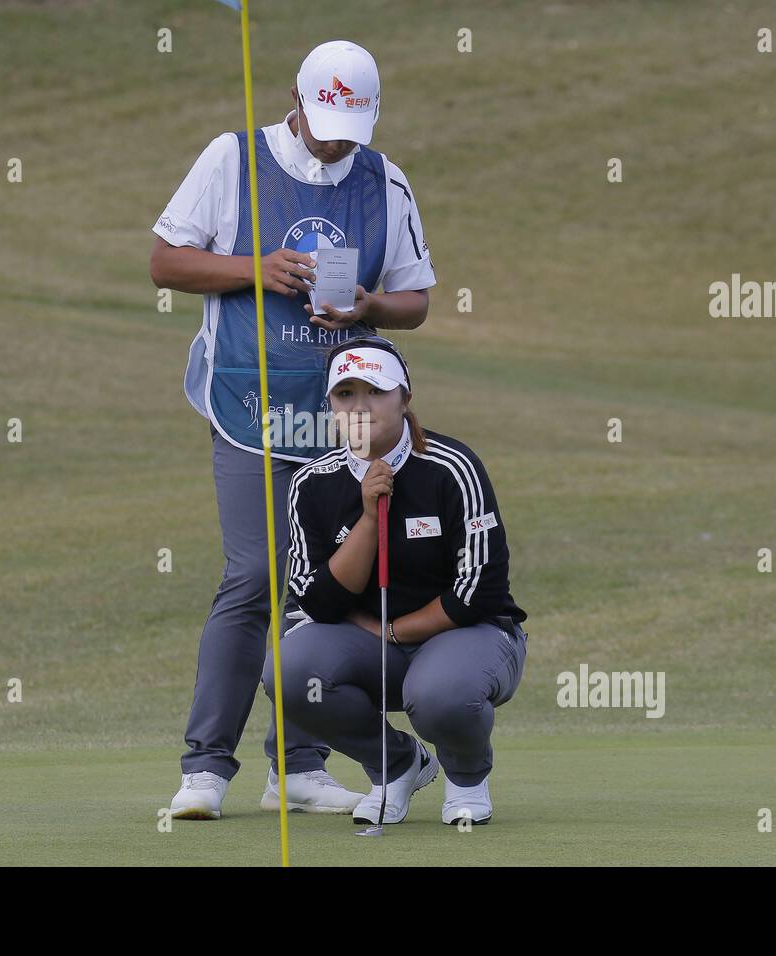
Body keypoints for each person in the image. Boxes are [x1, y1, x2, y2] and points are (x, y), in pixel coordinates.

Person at [149, 40, 437, 819]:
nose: (338, 138)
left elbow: (416, 299)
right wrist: (256, 269)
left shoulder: (386, 180)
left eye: (351, 125)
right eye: (326, 120)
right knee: (254, 579)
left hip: (343, 421)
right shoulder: (231, 158)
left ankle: (299, 768)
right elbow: (166, 262)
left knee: (322, 594)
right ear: (295, 100)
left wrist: (369, 309)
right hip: (250, 408)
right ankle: (206, 769)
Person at [263, 335, 528, 825]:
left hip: (469, 636)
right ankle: (397, 764)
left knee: (441, 693)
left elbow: (479, 590)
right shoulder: (313, 483)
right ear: (329, 406)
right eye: (345, 395)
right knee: (291, 670)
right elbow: (316, 602)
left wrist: (391, 631)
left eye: (376, 392)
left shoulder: (452, 467)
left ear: (405, 399)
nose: (360, 406)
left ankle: (467, 778)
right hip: (373, 646)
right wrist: (367, 519)